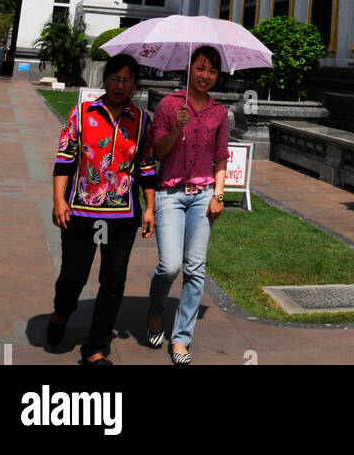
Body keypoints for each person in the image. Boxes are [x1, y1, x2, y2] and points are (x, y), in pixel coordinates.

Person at [47, 53, 156, 364]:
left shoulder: (142, 121)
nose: (120, 85)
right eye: (114, 78)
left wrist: (150, 208)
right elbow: (64, 160)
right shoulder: (82, 114)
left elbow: (147, 167)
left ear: (134, 84)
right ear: (104, 79)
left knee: (113, 281)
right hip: (80, 213)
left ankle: (95, 348)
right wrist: (59, 200)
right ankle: (61, 313)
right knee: (73, 277)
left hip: (122, 218)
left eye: (126, 80)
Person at [147, 46, 228, 365]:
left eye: (212, 71)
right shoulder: (169, 105)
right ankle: (155, 310)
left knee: (195, 269)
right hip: (170, 194)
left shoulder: (219, 112)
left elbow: (221, 156)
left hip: (203, 195)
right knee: (169, 266)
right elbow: (157, 153)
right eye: (200, 68)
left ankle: (181, 338)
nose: (206, 75)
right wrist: (178, 126)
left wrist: (219, 195)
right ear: (189, 69)